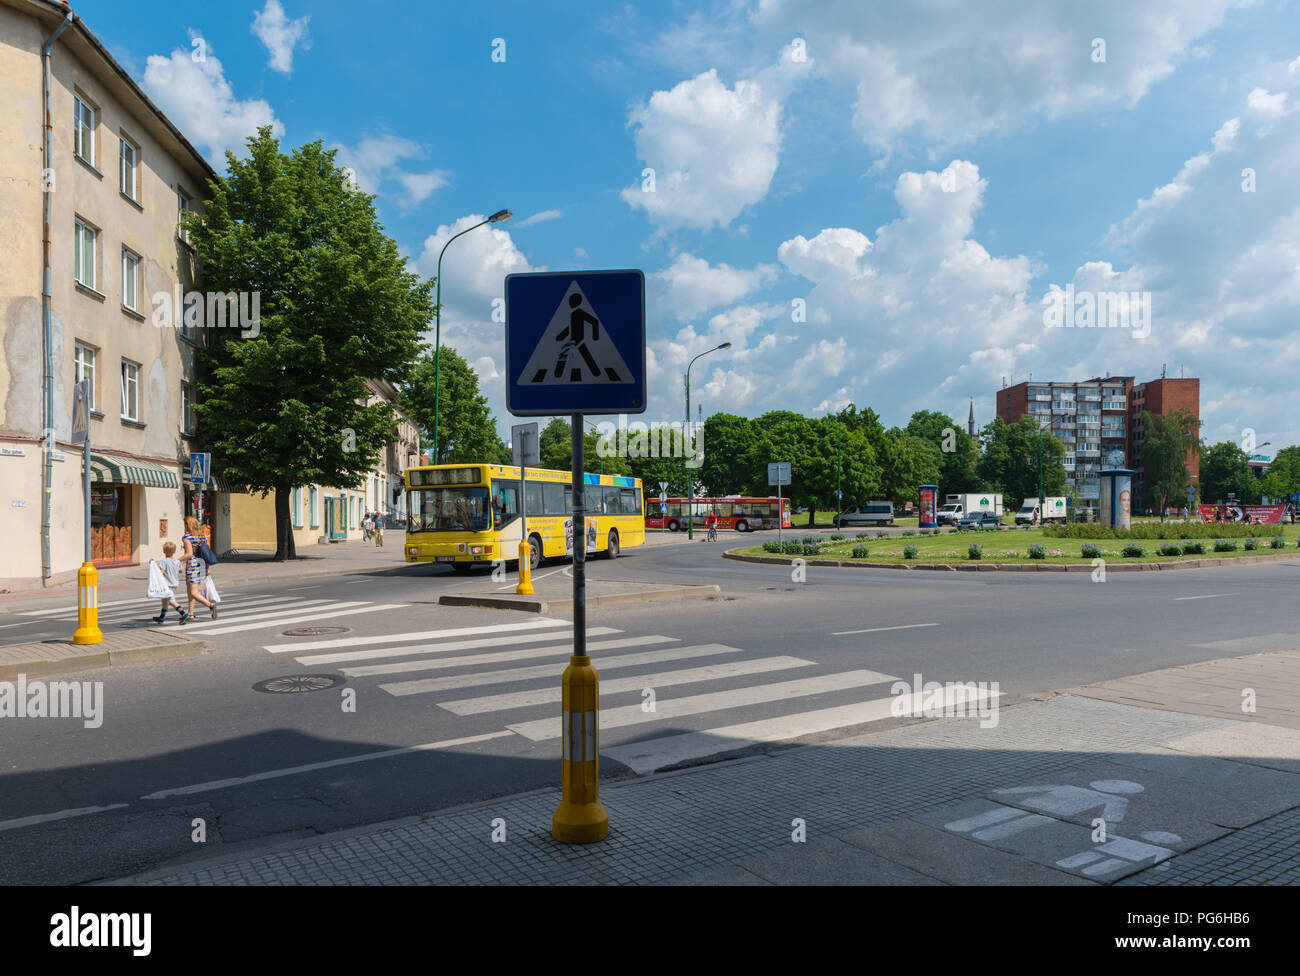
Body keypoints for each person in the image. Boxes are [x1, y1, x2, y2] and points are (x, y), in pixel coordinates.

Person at [180, 516, 216, 624]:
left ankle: (211, 605)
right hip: (202, 565)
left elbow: (189, 554)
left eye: (185, 524)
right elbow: (206, 553)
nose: (184, 526)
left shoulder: (186, 537)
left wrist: (176, 561)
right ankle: (190, 614)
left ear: (188, 525)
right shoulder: (203, 536)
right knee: (191, 592)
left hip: (193, 566)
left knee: (193, 592)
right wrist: (207, 568)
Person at [149, 541, 183, 624]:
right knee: (164, 601)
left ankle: (184, 614)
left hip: (167, 584)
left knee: (171, 601)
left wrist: (153, 564)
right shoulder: (177, 561)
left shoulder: (164, 561)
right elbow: (181, 571)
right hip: (174, 584)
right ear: (174, 551)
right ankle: (161, 617)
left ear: (164, 551)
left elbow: (161, 572)